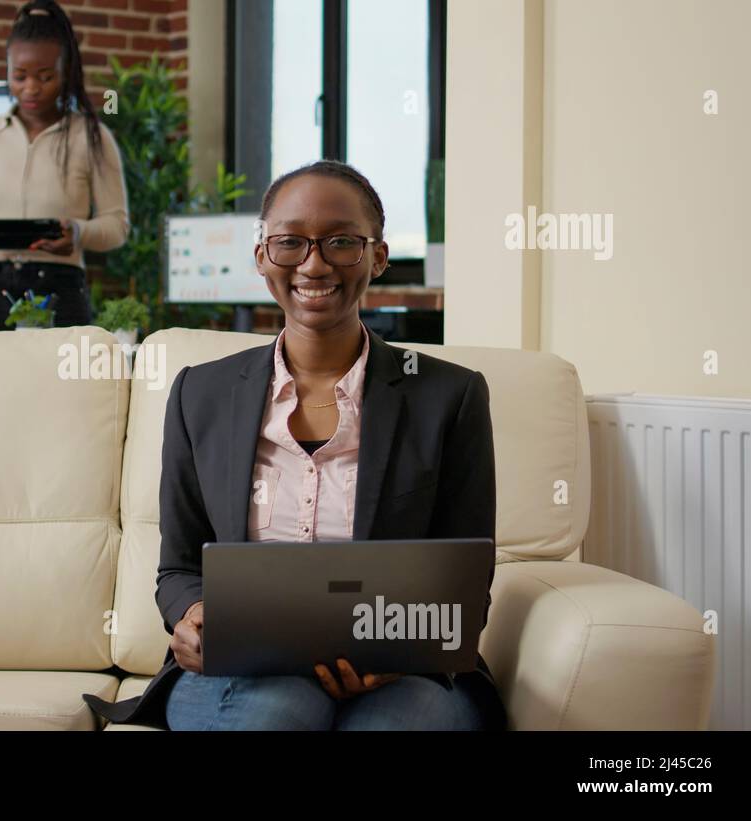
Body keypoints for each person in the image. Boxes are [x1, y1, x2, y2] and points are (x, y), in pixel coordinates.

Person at [85, 160, 507, 730]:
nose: (314, 263)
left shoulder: (448, 397)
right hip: (246, 670)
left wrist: (392, 656)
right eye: (290, 242)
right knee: (279, 713)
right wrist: (192, 616)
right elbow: (180, 566)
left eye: (341, 242)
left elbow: (465, 573)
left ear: (377, 256)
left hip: (402, 672)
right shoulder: (200, 394)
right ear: (262, 256)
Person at [0, 0, 129, 330]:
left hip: (61, 290)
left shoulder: (91, 136)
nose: (30, 88)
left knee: (63, 384)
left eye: (45, 76)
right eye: (19, 76)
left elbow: (117, 226)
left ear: (67, 73)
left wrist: (77, 232)